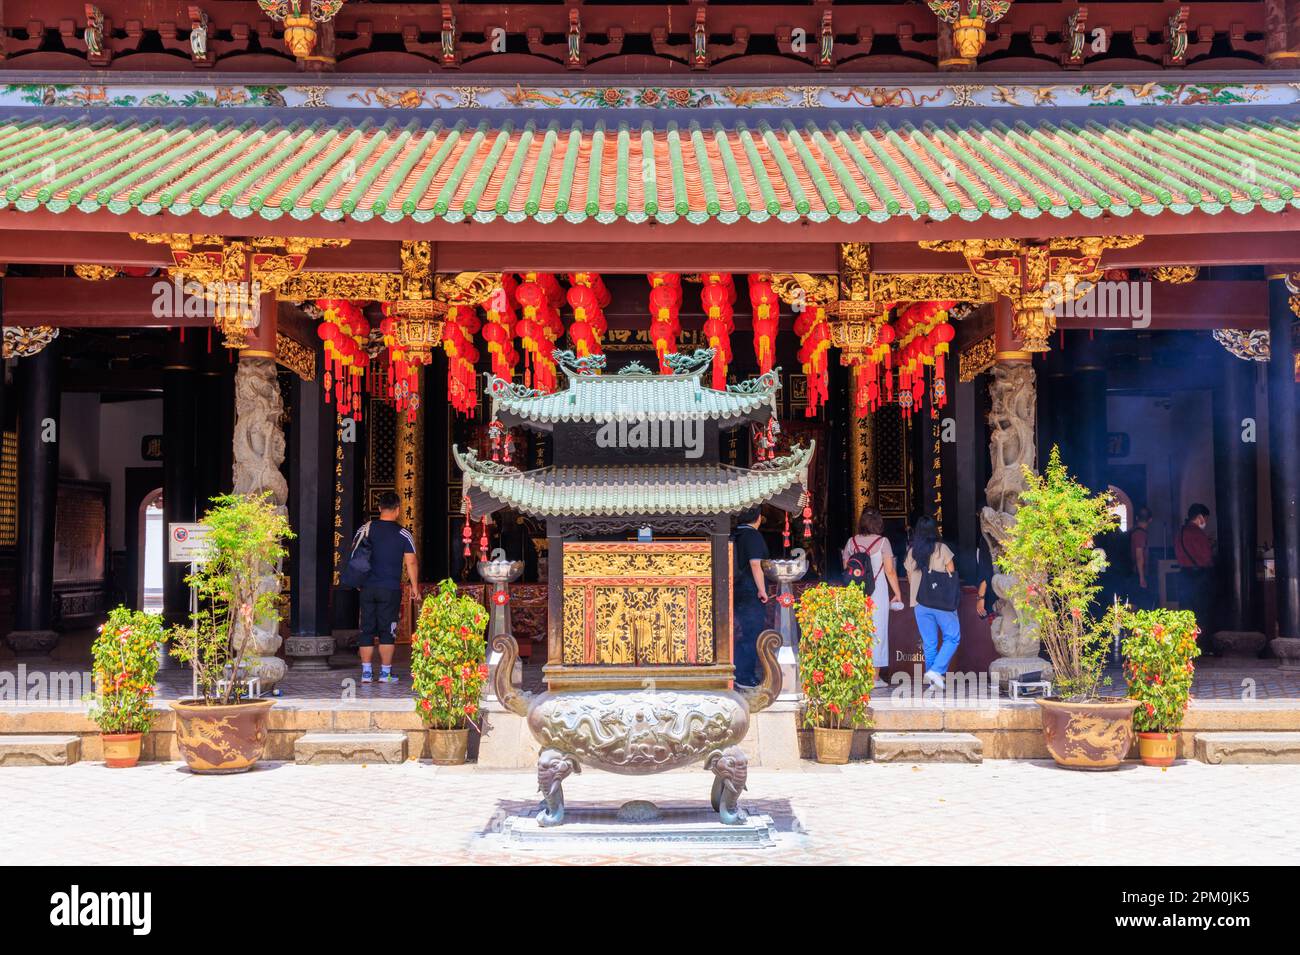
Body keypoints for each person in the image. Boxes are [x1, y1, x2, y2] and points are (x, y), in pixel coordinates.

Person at [349, 490, 419, 684]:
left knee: (366, 629)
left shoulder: (365, 529)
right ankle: (385, 673)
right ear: (397, 510)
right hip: (390, 589)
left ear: (379, 508)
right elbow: (411, 562)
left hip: (367, 587)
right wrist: (415, 587)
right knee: (388, 631)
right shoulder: (403, 534)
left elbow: (354, 554)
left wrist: (358, 580)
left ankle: (366, 672)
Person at [841, 507, 904, 687]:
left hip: (856, 592)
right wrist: (897, 593)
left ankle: (858, 674)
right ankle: (874, 678)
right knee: (878, 631)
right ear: (879, 523)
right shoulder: (883, 542)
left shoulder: (851, 542)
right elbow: (890, 571)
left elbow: (846, 568)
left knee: (857, 630)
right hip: (877, 591)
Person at [903, 517, 960, 692]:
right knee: (953, 637)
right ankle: (936, 671)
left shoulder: (912, 552)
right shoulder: (942, 549)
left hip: (920, 603)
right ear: (935, 530)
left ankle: (933, 683)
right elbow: (951, 573)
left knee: (929, 644)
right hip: (942, 602)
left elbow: (909, 577)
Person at [731, 507, 769, 688]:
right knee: (751, 633)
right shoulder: (752, 536)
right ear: (758, 518)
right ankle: (744, 675)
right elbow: (755, 564)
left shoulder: (734, 534)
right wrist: (762, 590)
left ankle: (738, 671)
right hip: (749, 591)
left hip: (735, 589)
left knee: (743, 633)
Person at [1174, 502, 1214, 643]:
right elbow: (1206, 557)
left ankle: (1186, 644)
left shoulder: (1180, 532)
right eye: (1206, 518)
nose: (1206, 522)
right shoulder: (1198, 533)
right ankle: (1202, 645)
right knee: (1201, 612)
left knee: (1186, 611)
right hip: (1199, 577)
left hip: (1184, 575)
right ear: (1200, 517)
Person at [1129, 507, 1156, 610]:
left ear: (1136, 518)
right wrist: (1142, 577)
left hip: (1132, 571)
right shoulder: (1140, 534)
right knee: (1141, 604)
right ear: (1150, 520)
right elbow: (1139, 556)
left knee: (1135, 603)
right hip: (1137, 573)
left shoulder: (1132, 532)